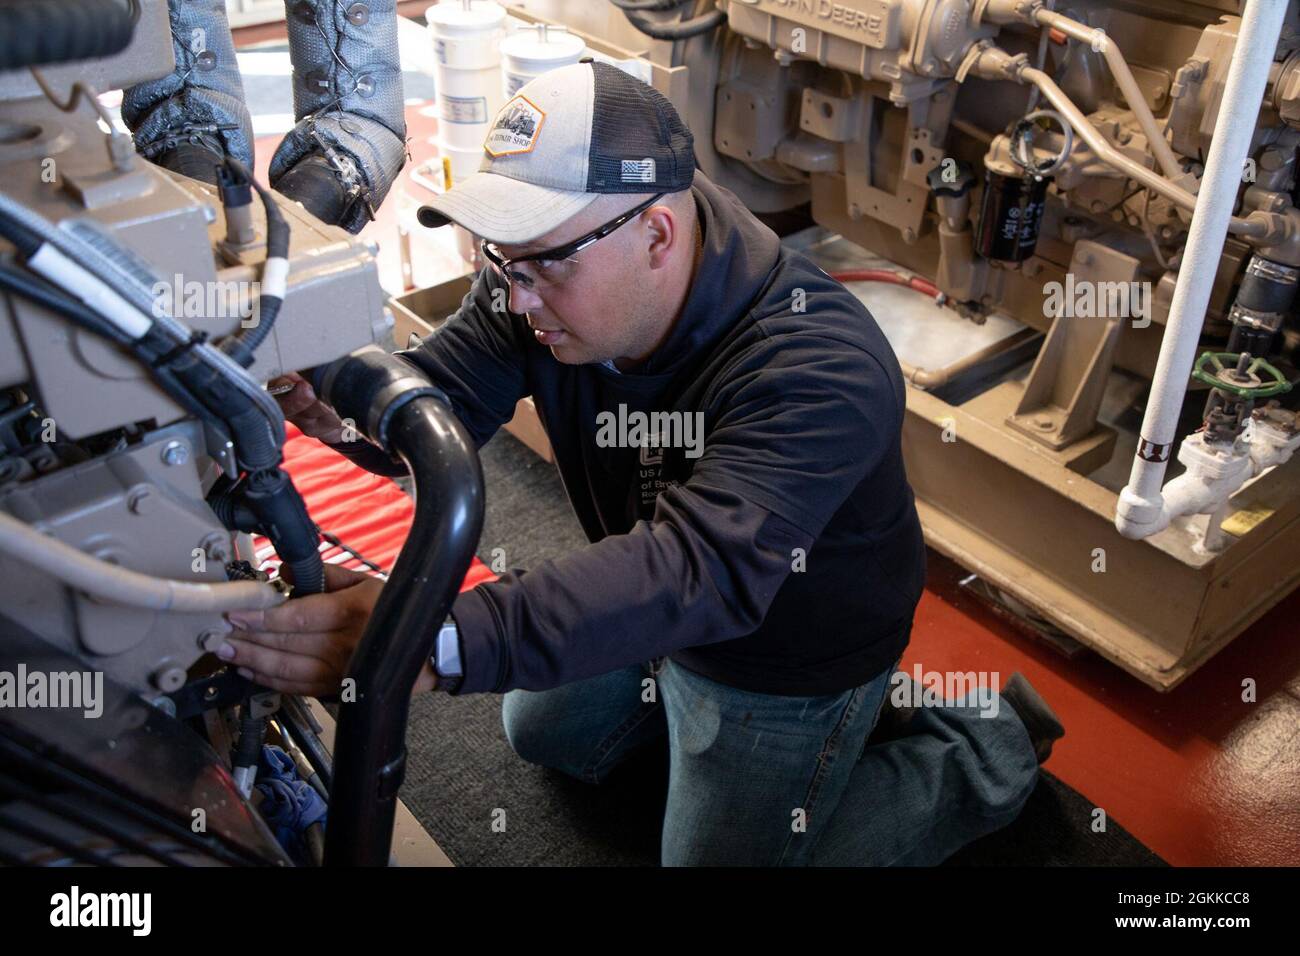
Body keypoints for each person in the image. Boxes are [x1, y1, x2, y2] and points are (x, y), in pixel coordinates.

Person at [221, 61, 1063, 866]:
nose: (514, 297)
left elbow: (699, 569)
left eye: (543, 263)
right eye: (499, 259)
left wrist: (425, 637)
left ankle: (984, 747)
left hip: (781, 652)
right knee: (541, 730)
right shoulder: (539, 275)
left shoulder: (817, 364)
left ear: (657, 233)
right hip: (660, 589)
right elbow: (438, 403)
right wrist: (341, 415)